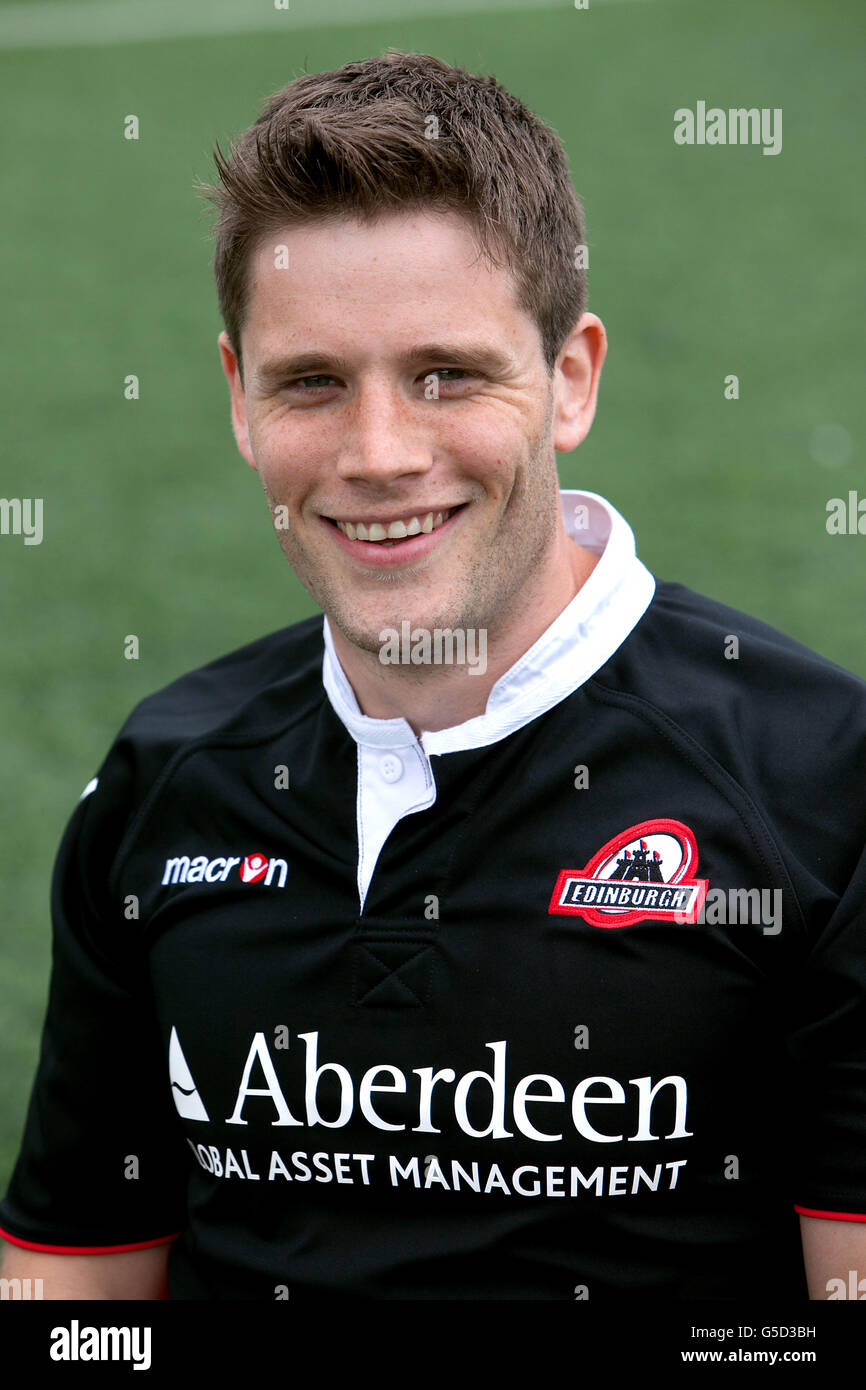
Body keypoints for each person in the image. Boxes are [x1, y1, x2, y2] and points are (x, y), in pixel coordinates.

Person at [1, 49, 864, 1302]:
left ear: (568, 379)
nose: (376, 453)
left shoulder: (818, 785)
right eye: (311, 383)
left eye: (444, 375)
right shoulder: (162, 786)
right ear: (238, 400)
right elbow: (73, 1303)